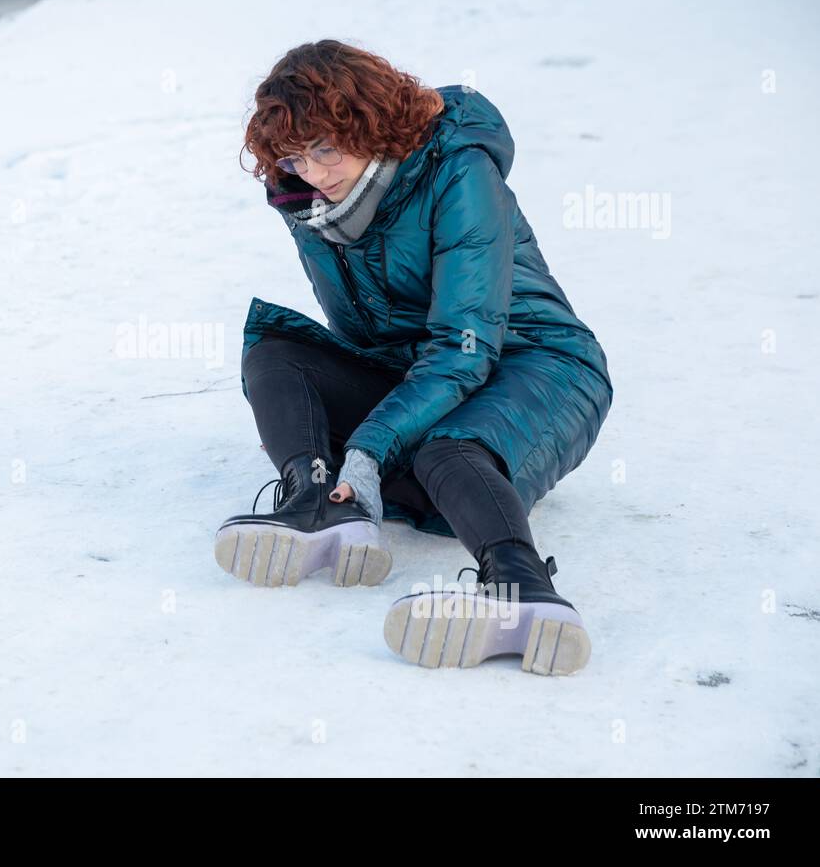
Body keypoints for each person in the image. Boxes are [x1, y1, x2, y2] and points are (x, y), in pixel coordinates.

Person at [215, 40, 613, 676]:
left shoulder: (458, 170)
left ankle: (521, 590)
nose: (313, 172)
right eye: (295, 157)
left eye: (325, 148)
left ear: (368, 121)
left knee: (445, 447)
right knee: (275, 348)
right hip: (425, 374)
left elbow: (464, 345)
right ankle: (319, 500)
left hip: (540, 366)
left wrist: (372, 445)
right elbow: (370, 340)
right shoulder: (314, 206)